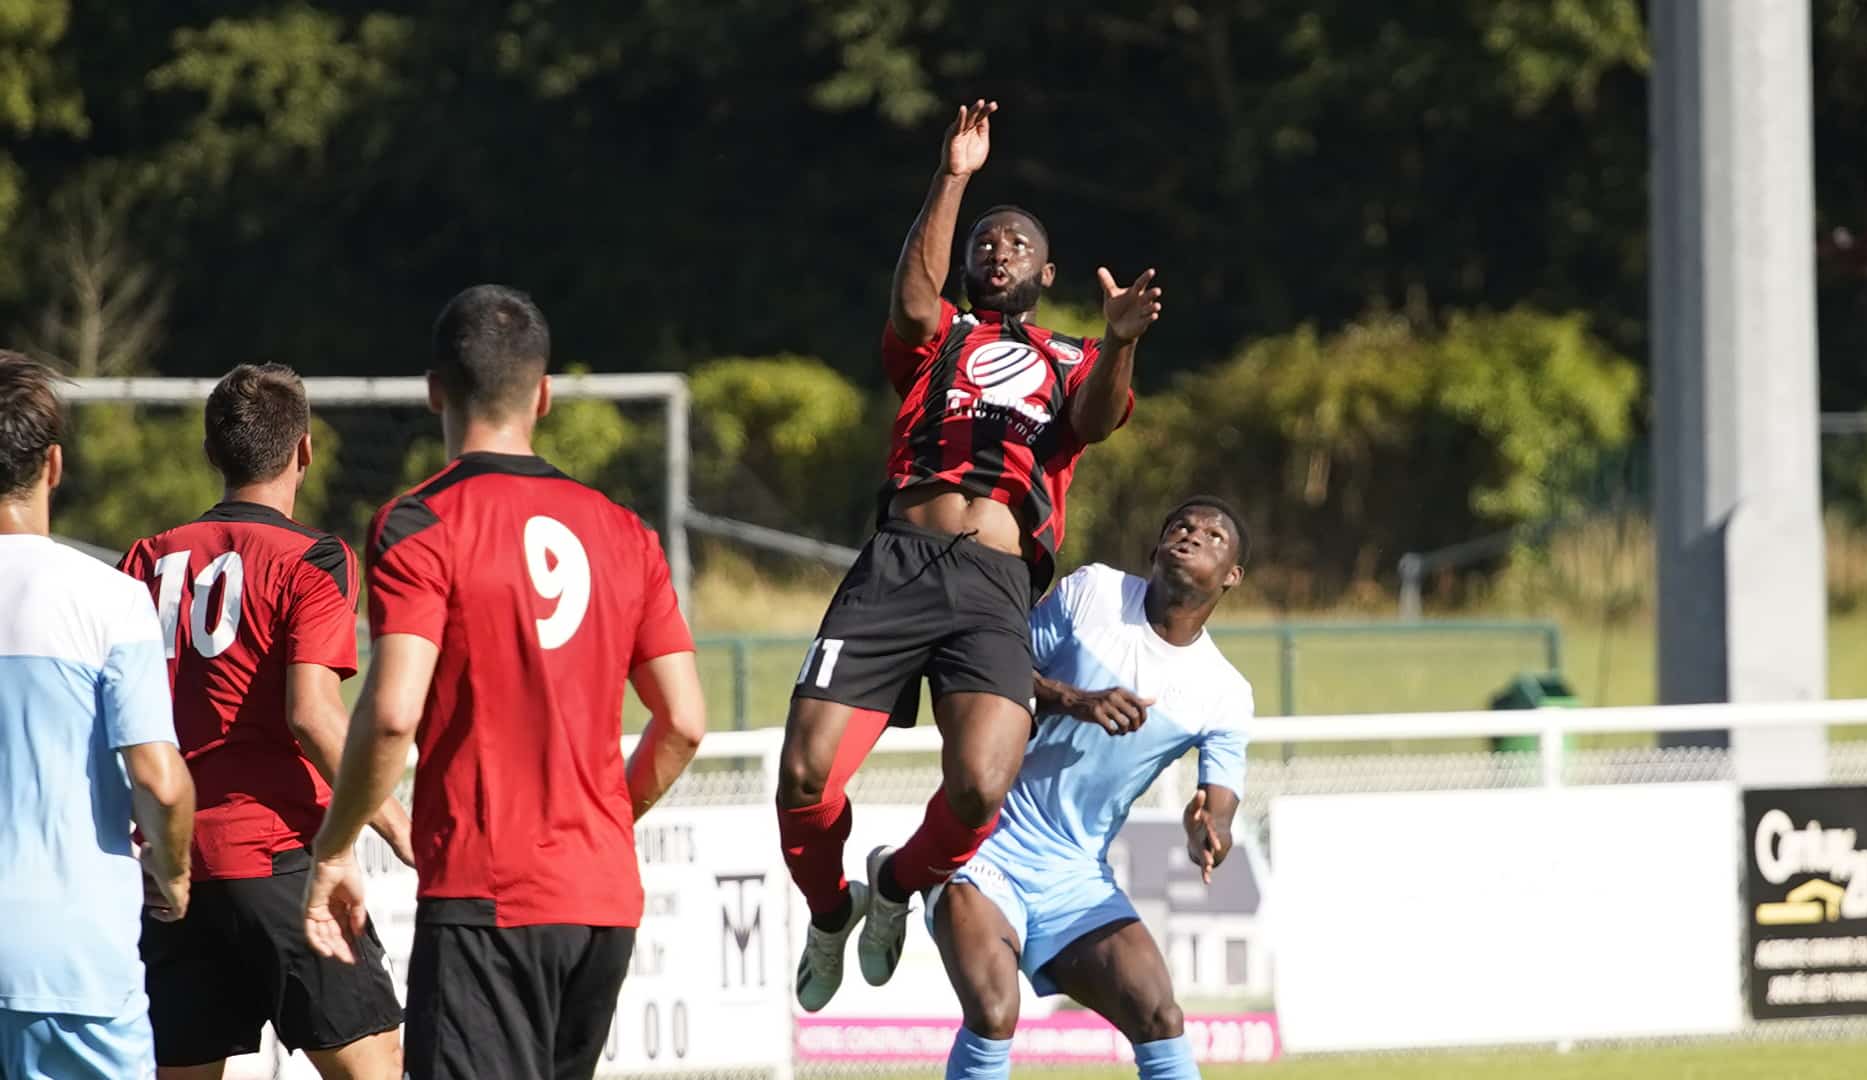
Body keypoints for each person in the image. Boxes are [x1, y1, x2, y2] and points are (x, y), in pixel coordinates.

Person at [779, 98, 1164, 1012]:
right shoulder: (939, 338)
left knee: (982, 781)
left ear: (1049, 270)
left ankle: (897, 885)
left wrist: (1118, 344)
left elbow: (1098, 421)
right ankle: (832, 910)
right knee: (803, 774)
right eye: (986, 242)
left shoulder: (1072, 357)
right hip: (898, 565)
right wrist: (954, 176)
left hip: (996, 583)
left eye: (1018, 244)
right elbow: (911, 300)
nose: (998, 252)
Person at [300, 285, 708, 1080]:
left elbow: (390, 719)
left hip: (488, 899)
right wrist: (604, 815)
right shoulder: (626, 531)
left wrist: (334, 846)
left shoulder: (419, 523)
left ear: (434, 391)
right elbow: (685, 721)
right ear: (545, 395)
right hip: (602, 904)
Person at [118, 363, 409, 1079]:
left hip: (174, 867)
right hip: (281, 861)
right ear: (304, 451)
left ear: (211, 454)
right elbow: (312, 715)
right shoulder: (316, 558)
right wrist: (401, 823)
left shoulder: (147, 558)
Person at [928, 497, 1253, 1080]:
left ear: (1232, 575)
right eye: (1180, 525)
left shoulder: (1225, 693)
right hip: (983, 844)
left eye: (1213, 535)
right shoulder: (1095, 593)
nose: (1192, 535)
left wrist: (1210, 830)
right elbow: (989, 671)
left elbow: (1221, 805)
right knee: (995, 1013)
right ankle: (903, 874)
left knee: (1160, 1015)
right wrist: (1075, 700)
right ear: (1156, 547)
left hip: (1075, 880)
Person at [0, 353, 197, 1080]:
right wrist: (172, 875)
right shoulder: (107, 598)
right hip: (72, 955)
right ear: (53, 465)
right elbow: (162, 781)